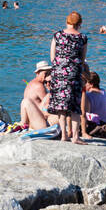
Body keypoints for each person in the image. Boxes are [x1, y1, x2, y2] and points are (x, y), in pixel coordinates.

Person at [47, 11, 88, 144]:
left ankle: (64, 135)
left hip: (58, 72)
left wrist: (60, 65)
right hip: (74, 73)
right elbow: (82, 59)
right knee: (75, 104)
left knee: (61, 104)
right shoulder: (82, 38)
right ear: (80, 24)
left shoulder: (57, 35)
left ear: (67, 22)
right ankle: (75, 137)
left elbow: (52, 57)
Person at [19, 61, 53, 130]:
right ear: (37, 73)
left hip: (30, 119)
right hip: (37, 120)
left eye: (49, 73)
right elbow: (47, 105)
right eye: (45, 73)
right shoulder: (39, 86)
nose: (46, 76)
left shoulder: (31, 83)